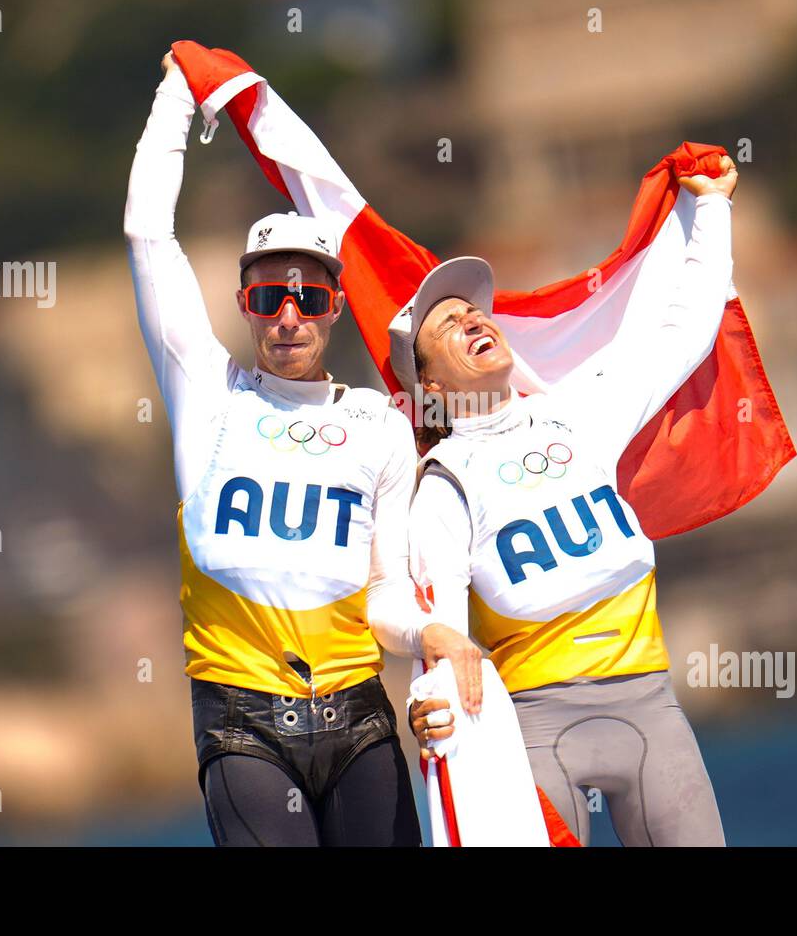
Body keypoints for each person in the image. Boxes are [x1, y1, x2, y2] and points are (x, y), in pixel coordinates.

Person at [124, 51, 473, 846]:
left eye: (308, 296)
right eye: (269, 295)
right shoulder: (204, 392)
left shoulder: (381, 426)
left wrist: (432, 636)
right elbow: (147, 232)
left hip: (359, 721)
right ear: (245, 304)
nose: (288, 314)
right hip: (242, 727)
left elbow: (384, 596)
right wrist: (180, 93)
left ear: (336, 310)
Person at [398, 158, 739, 846]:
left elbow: (687, 328)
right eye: (448, 328)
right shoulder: (444, 483)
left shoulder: (579, 412)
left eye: (474, 312)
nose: (472, 321)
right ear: (428, 385)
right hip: (532, 730)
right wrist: (424, 710)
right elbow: (439, 638)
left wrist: (715, 209)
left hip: (650, 704)